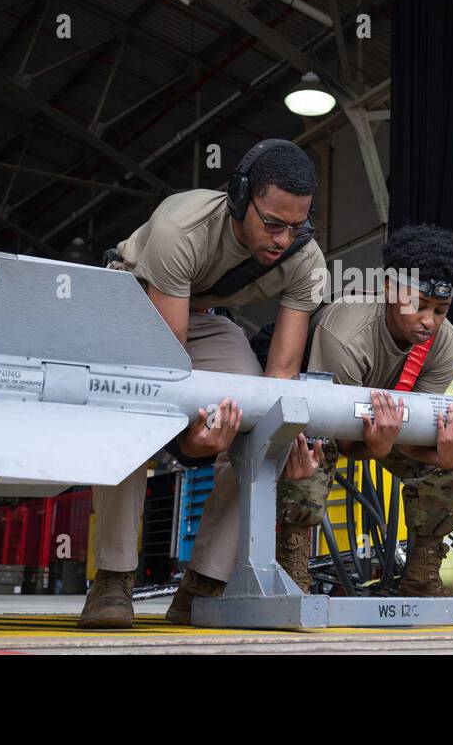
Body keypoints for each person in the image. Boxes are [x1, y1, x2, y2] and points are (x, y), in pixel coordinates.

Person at [78, 139, 326, 629]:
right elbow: (169, 372)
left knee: (265, 423)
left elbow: (279, 376)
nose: (282, 239)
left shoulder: (306, 260)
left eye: (296, 226)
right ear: (238, 197)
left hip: (198, 316)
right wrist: (193, 443)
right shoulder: (181, 227)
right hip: (131, 304)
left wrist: (276, 432)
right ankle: (112, 578)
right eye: (272, 224)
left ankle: (205, 582)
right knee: (132, 412)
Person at [277, 224, 453, 598]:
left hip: (380, 426)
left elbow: (417, 430)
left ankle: (420, 577)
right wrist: (377, 448)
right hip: (315, 414)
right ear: (389, 288)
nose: (429, 321)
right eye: (418, 305)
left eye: (441, 310)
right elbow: (341, 438)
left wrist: (444, 457)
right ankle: (291, 576)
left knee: (443, 469)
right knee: (309, 451)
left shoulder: (446, 343)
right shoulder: (346, 334)